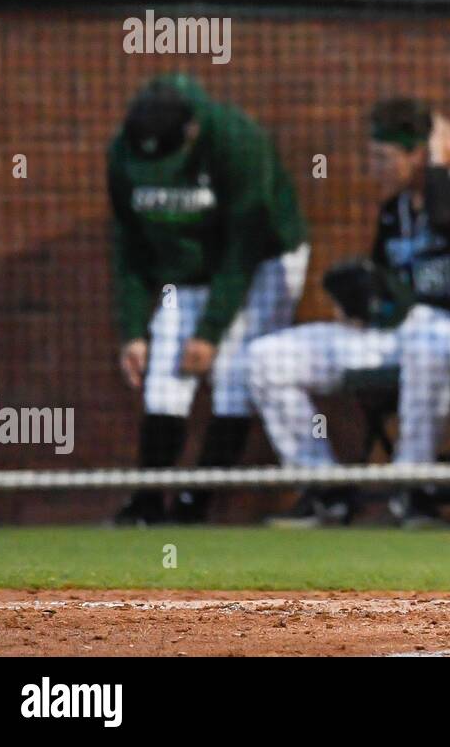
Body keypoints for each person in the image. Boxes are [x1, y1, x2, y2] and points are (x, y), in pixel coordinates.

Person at [248, 98, 450, 527]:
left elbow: (446, 217)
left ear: (419, 154)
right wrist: (361, 305)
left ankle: (411, 488)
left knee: (424, 344)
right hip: (395, 334)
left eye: (384, 157)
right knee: (267, 358)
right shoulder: (392, 212)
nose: (375, 168)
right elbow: (385, 282)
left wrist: (438, 165)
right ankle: (325, 489)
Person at [107, 74, 309, 524]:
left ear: (192, 131)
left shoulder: (238, 141)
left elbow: (244, 245)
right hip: (186, 271)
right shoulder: (123, 151)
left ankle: (195, 504)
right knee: (163, 380)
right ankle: (147, 502)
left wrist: (211, 332)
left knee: (235, 377)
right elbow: (129, 247)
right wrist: (133, 331)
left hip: (262, 261)